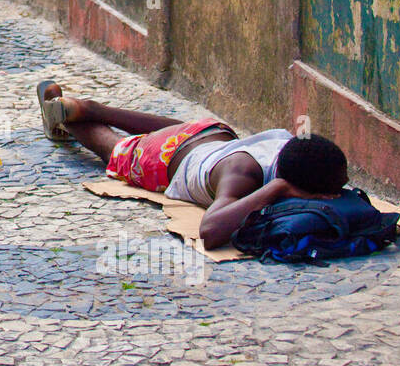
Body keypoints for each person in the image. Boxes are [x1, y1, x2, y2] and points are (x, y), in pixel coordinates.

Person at [36, 81, 350, 249]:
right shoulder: (244, 176)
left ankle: (90, 107)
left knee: (168, 131)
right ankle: (68, 120)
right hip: (166, 159)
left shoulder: (290, 148)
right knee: (115, 149)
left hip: (209, 133)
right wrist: (277, 189)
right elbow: (210, 231)